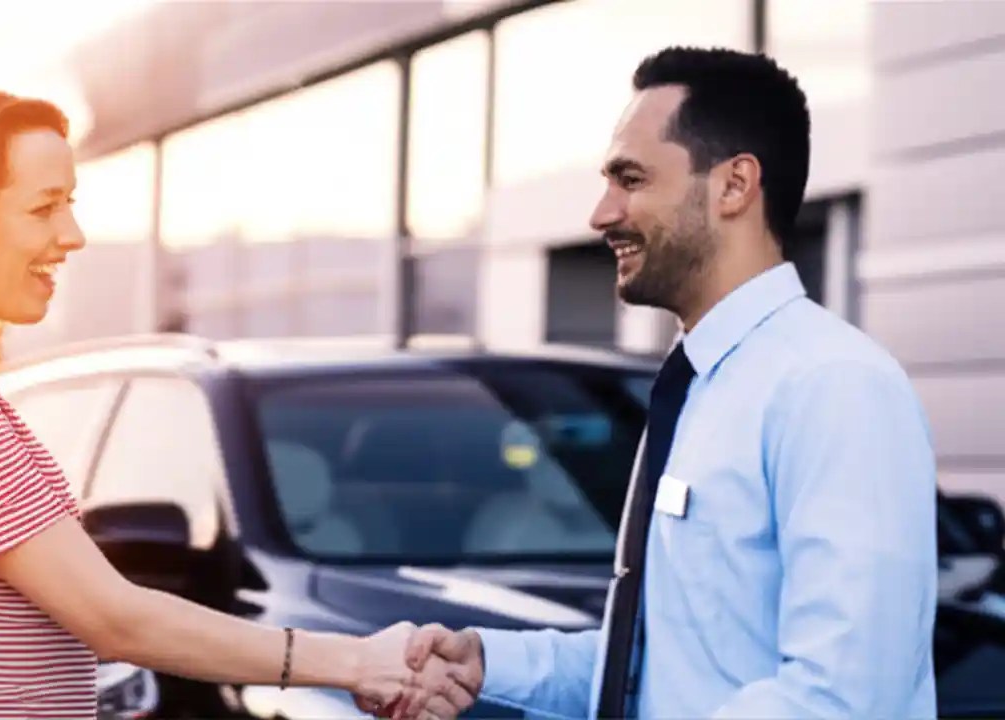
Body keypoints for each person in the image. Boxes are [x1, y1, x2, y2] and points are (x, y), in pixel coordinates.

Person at [0, 86, 474, 720]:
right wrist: (356, 662)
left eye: (69, 204)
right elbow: (114, 618)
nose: (72, 235)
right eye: (44, 208)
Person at [390, 46, 939, 720]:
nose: (601, 213)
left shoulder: (835, 387)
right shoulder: (698, 388)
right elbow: (660, 675)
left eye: (631, 179)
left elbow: (843, 699)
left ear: (734, 186)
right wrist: (490, 663)